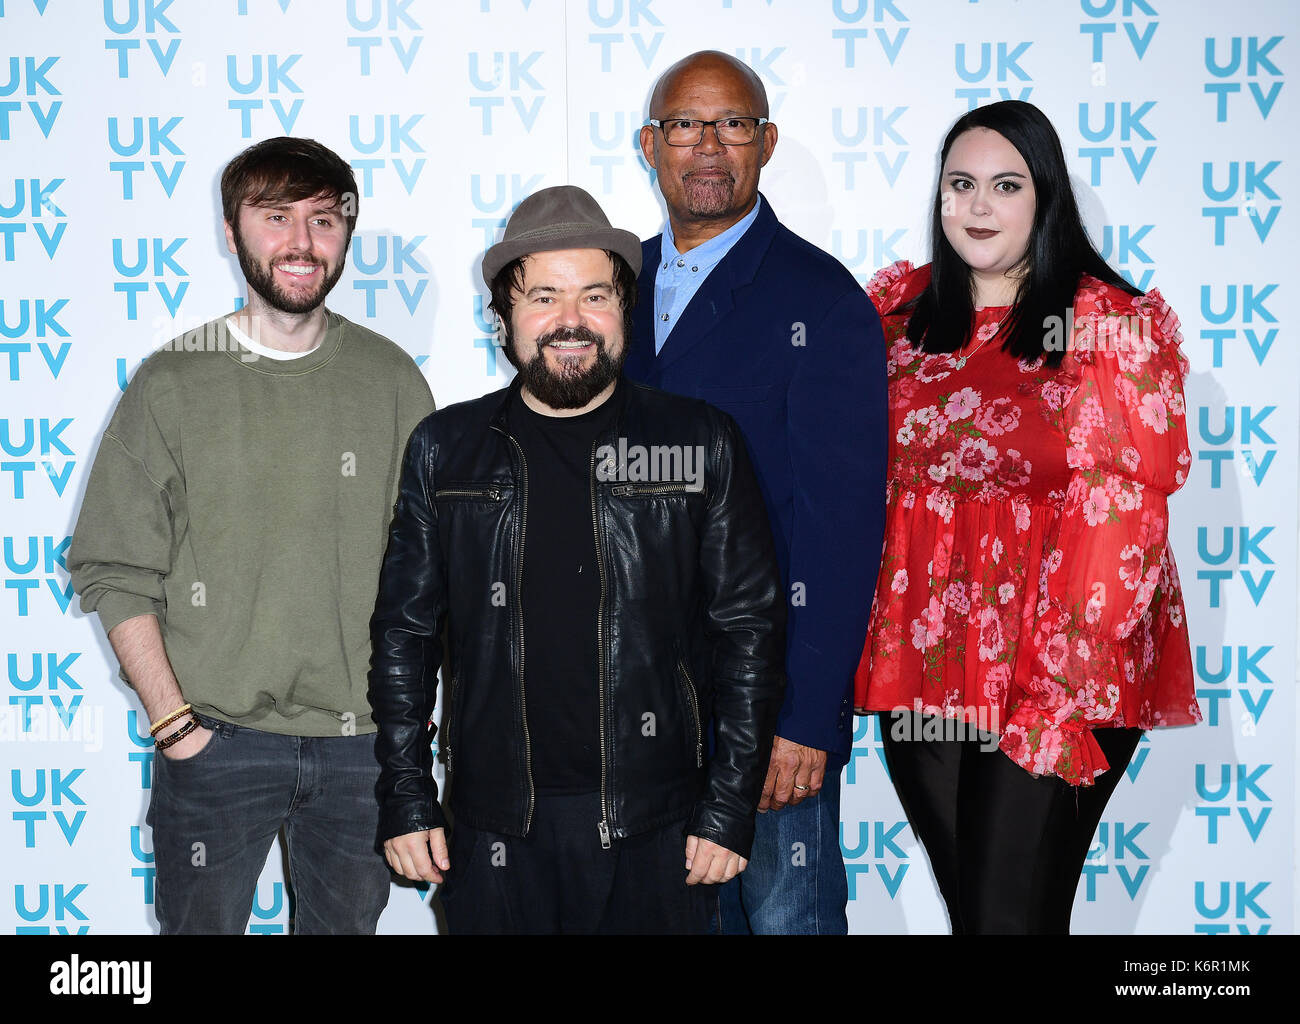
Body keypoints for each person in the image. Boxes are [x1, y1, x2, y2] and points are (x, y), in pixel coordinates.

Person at [369, 185, 787, 935]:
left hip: (660, 827)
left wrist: (727, 808)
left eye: (595, 294)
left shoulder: (698, 441)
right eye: (543, 297)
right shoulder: (445, 448)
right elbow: (405, 634)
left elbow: (749, 632)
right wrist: (406, 795)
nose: (570, 321)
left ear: (624, 310)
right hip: (495, 828)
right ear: (502, 317)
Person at [68, 136, 435, 934]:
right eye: (276, 217)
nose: (302, 242)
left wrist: (408, 738)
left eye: (324, 220)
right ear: (232, 233)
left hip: (358, 750)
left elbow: (430, 573)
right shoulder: (173, 381)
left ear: (346, 235)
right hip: (215, 750)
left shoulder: (394, 380)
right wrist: (174, 725)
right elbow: (110, 565)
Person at [853, 100, 1200, 934]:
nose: (977, 207)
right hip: (930, 662)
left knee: (1007, 918)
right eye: (960, 184)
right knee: (986, 918)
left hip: (1063, 668)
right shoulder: (899, 320)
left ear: (1045, 198)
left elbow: (1126, 517)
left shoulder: (1104, 325)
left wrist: (1056, 697)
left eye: (1005, 186)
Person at [626, 50, 887, 934]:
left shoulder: (821, 301)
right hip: (638, 710)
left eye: (732, 124)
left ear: (766, 142)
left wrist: (809, 715)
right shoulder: (611, 294)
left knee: (782, 921)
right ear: (650, 146)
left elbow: (844, 529)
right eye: (686, 125)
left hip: (765, 710)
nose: (708, 145)